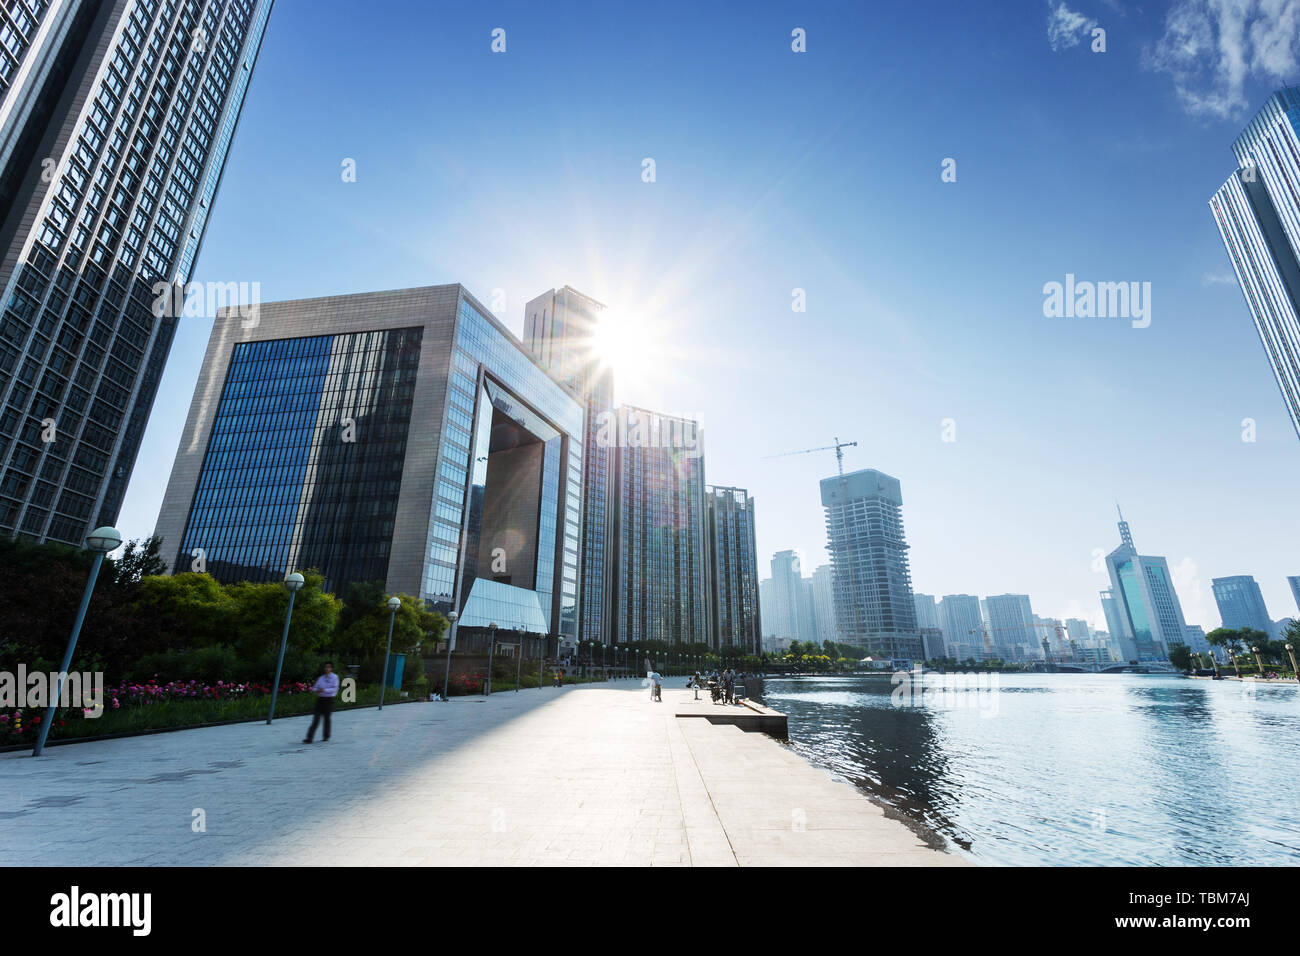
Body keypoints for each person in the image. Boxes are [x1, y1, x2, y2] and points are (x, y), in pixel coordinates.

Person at [303, 661, 339, 743]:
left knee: (327, 719)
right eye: (326, 667)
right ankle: (309, 738)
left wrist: (324, 690)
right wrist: (317, 690)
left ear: (331, 668)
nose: (327, 669)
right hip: (320, 700)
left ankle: (326, 736)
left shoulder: (334, 677)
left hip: (329, 700)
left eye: (329, 667)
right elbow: (314, 688)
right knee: (316, 719)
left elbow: (334, 689)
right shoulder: (321, 678)